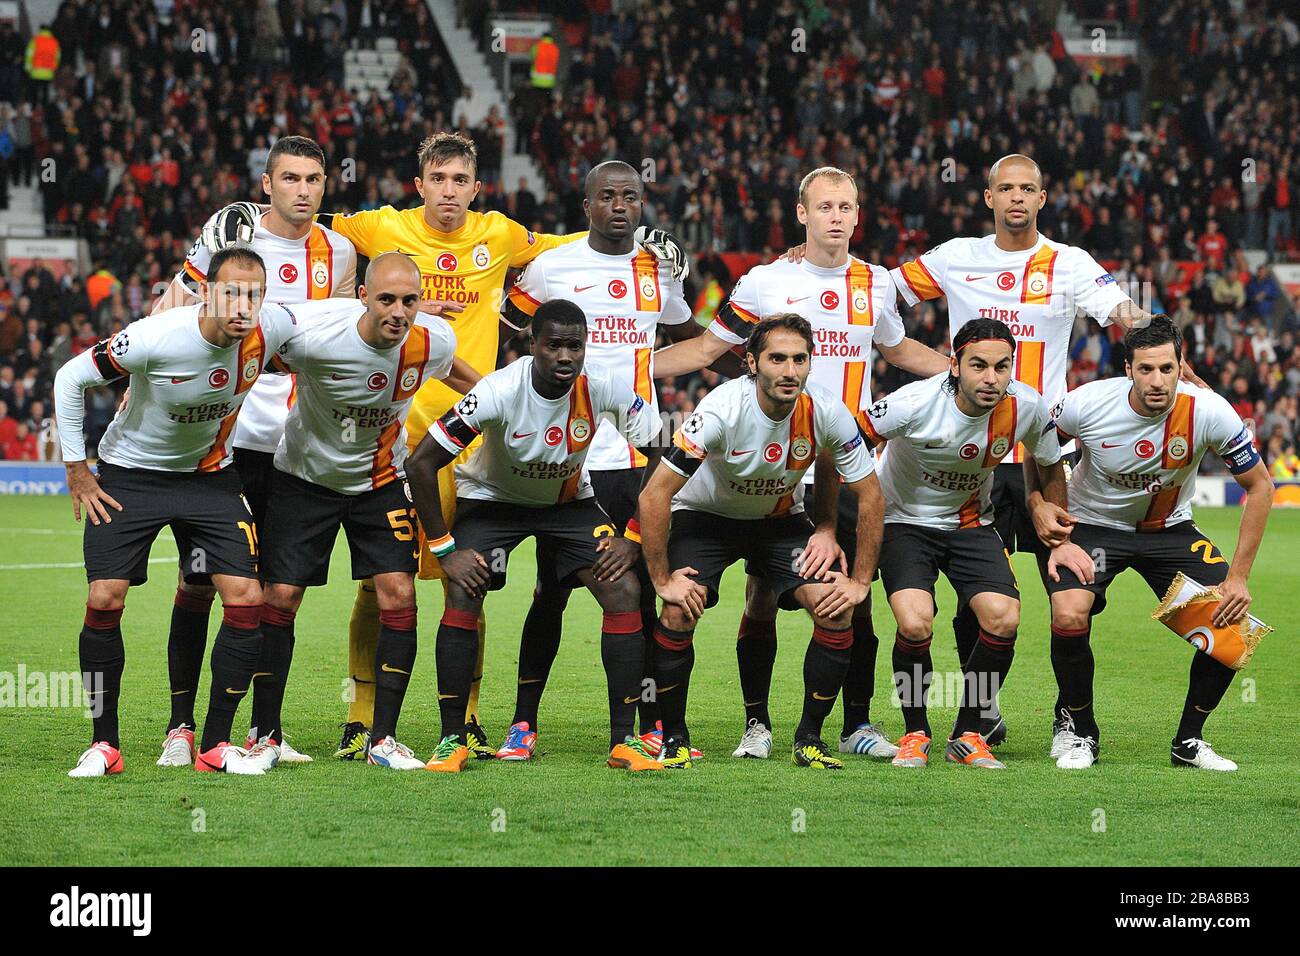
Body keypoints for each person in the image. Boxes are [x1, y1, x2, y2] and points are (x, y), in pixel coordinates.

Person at [203, 132, 686, 761]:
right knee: (381, 585)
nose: (449, 192)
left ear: (475, 188)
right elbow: (308, 214)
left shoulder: (500, 235)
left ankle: (469, 717)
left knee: (468, 578)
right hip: (395, 440)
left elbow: (570, 244)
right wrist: (244, 219)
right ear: (420, 184)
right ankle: (363, 713)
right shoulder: (381, 227)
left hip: (475, 442)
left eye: (460, 181)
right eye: (439, 180)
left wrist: (641, 241)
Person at [650, 166, 949, 760]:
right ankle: (755, 723)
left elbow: (896, 349)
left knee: (850, 598)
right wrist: (624, 368)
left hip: (845, 458)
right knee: (761, 598)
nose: (837, 217)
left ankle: (855, 725)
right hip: (768, 467)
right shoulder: (765, 281)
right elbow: (711, 349)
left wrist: (962, 373)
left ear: (858, 215)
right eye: (826, 206)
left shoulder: (878, 284)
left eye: (847, 206)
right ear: (802, 214)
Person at [888, 153, 1155, 744]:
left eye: (1027, 189)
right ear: (988, 197)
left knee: (1068, 590)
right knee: (974, 596)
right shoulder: (957, 256)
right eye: (1004, 188)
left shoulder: (1069, 263)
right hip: (971, 457)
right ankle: (980, 713)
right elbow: (882, 299)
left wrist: (1170, 354)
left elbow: (1123, 314)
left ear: (1042, 197)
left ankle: (1070, 722)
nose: (1015, 198)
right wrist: (939, 369)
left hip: (1042, 452)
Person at [496, 159, 727, 760]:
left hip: (637, 455)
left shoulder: (658, 268)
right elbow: (510, 331)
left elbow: (685, 336)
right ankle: (523, 722)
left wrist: (748, 362)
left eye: (631, 196)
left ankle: (647, 727)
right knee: (552, 590)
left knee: (644, 589)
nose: (620, 206)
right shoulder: (553, 265)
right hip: (566, 456)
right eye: (608, 196)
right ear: (587, 206)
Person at [53, 247, 302, 776]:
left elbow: (340, 319)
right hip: (130, 475)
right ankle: (104, 746)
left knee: (245, 597)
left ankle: (212, 744)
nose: (243, 305)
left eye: (254, 294)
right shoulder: (156, 335)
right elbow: (71, 378)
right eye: (231, 291)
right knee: (104, 597)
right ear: (207, 292)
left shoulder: (272, 328)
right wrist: (78, 469)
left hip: (210, 478)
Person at [153, 135, 356, 768]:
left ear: (326, 186)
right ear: (267, 184)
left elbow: (344, 328)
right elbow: (174, 305)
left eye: (314, 179)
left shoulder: (340, 252)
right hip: (223, 442)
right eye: (290, 178)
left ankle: (265, 733)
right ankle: (181, 728)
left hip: (297, 447)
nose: (303, 189)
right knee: (198, 585)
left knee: (277, 592)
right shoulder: (233, 231)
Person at [406, 299, 660, 772]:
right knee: (465, 588)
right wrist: (445, 550)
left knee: (623, 587)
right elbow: (421, 463)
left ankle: (625, 741)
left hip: (567, 506)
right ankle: (451, 739)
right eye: (554, 346)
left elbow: (661, 451)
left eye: (574, 347)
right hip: (492, 503)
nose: (565, 357)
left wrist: (632, 535)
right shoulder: (499, 391)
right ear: (532, 345)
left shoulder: (602, 387)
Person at [251, 253, 476, 771]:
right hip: (303, 480)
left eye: (410, 300)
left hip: (379, 483)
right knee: (281, 598)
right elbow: (248, 360)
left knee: (399, 594)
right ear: (363, 297)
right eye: (387, 299)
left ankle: (383, 739)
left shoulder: (432, 340)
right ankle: (265, 733)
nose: (399, 312)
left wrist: (516, 404)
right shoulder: (315, 340)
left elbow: (472, 381)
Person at [639, 313, 885, 770]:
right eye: (777, 359)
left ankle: (809, 738)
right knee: (678, 608)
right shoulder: (719, 410)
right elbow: (655, 494)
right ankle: (673, 737)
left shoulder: (827, 409)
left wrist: (850, 564)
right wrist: (661, 578)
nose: (790, 370)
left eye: (799, 359)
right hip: (705, 518)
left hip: (777, 519)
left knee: (837, 605)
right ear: (752, 362)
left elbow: (869, 494)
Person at [1039, 316, 1273, 771]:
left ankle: (1188, 741)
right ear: (1127, 368)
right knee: (1069, 613)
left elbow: (1260, 486)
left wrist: (1239, 577)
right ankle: (1078, 730)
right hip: (1093, 527)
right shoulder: (1085, 404)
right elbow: (1040, 452)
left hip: (1170, 529)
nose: (1157, 380)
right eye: (1146, 369)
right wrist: (1043, 507)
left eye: (1167, 368)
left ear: (1181, 365)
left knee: (1233, 627)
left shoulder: (1208, 409)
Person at [858, 319, 1071, 769]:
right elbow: (849, 445)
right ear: (955, 365)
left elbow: (1049, 461)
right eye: (978, 366)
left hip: (972, 524)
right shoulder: (913, 403)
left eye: (1001, 366)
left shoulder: (1027, 406)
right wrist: (844, 519)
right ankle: (915, 732)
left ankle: (969, 733)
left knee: (1004, 618)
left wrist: (1052, 517)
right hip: (904, 523)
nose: (991, 378)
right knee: (915, 624)